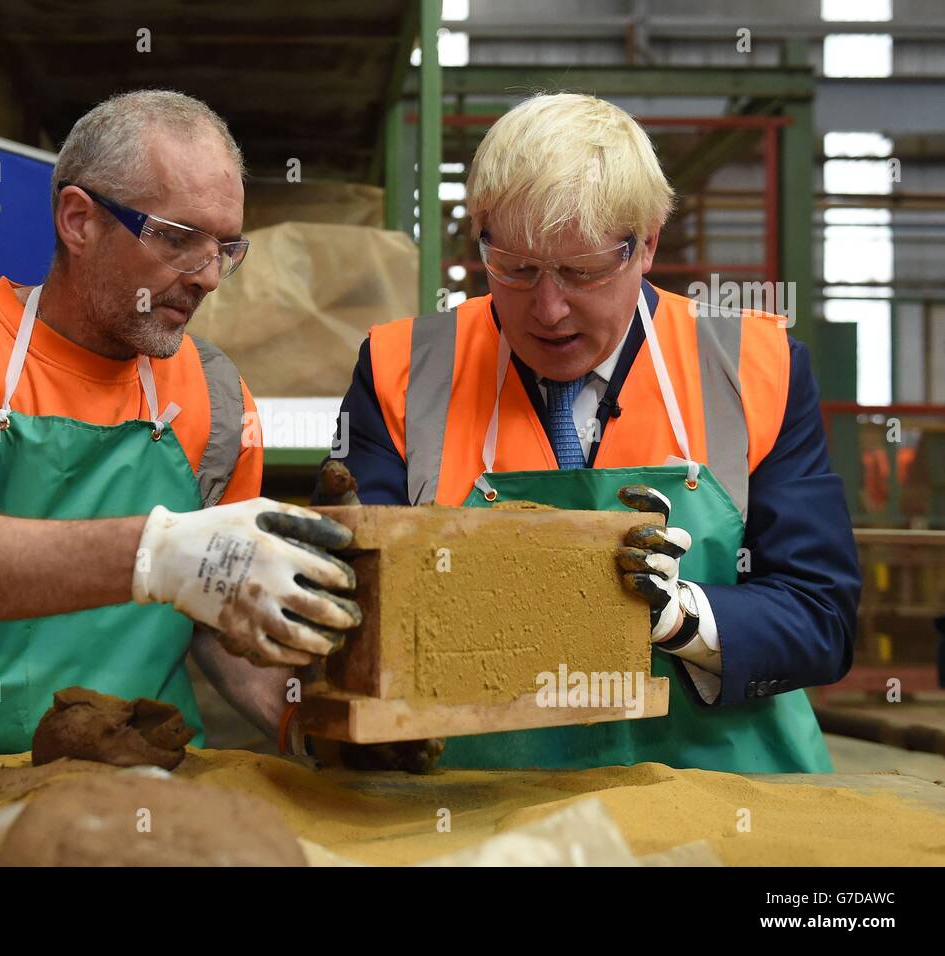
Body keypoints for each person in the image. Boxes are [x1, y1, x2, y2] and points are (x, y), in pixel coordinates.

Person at [0, 90, 359, 762]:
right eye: (180, 239)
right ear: (78, 219)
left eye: (225, 247)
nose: (210, 277)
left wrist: (316, 726)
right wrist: (160, 554)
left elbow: (215, 621)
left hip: (133, 788)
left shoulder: (216, 397)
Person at [326, 93, 860, 773]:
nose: (547, 310)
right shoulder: (401, 369)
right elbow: (361, 606)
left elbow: (821, 617)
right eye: (515, 268)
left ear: (647, 244)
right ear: (480, 237)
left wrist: (684, 620)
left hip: (719, 797)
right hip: (482, 802)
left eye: (582, 272)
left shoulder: (756, 368)